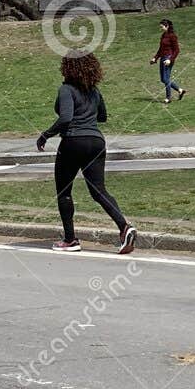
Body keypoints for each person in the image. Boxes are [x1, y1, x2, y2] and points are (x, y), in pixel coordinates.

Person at [36, 50, 138, 255]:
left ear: (67, 68)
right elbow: (103, 116)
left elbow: (65, 118)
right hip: (97, 142)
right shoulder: (95, 91)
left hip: (73, 141)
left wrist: (45, 135)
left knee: (64, 191)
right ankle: (124, 227)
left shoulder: (66, 89)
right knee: (98, 191)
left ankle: (70, 239)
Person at [150, 19, 185, 104]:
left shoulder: (172, 36)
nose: (161, 28)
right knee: (163, 79)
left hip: (168, 58)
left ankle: (168, 98)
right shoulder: (163, 35)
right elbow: (160, 49)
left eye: (162, 27)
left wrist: (170, 59)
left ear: (167, 26)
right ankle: (180, 90)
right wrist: (155, 58)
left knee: (166, 79)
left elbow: (177, 50)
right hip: (163, 58)